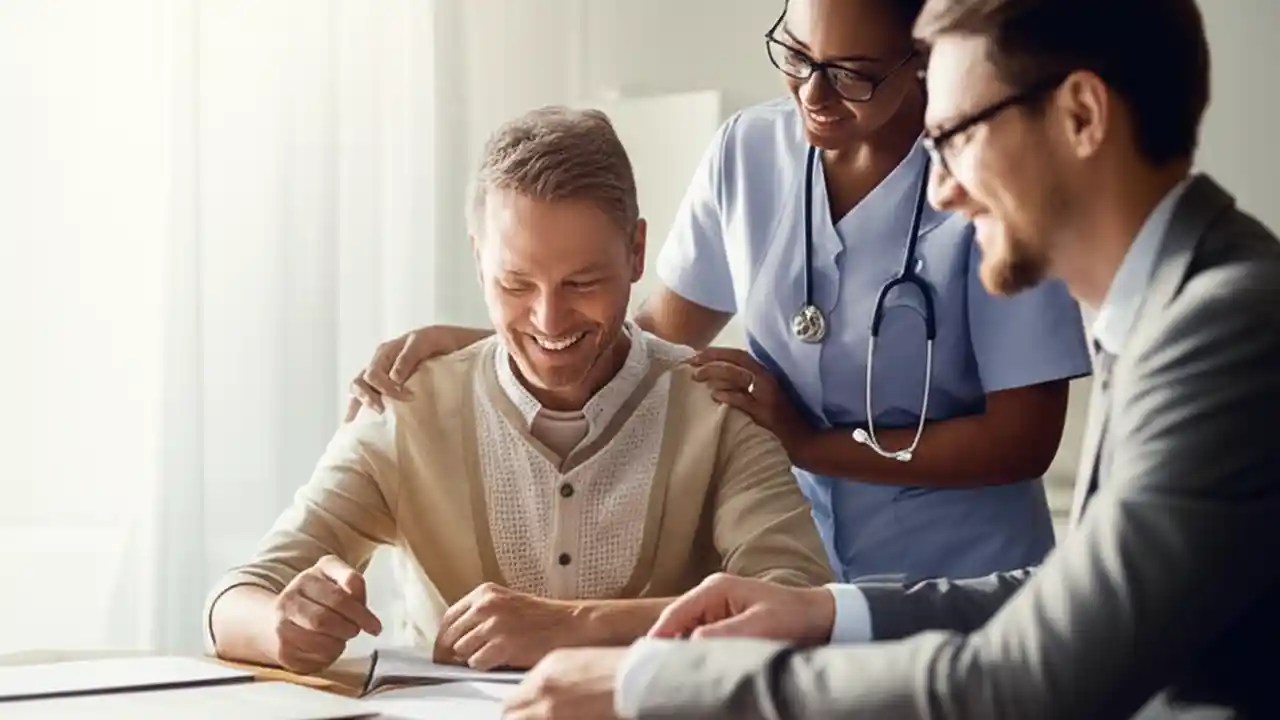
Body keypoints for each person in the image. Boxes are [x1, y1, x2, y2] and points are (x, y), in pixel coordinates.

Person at [499, 0, 1280, 717]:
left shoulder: (1225, 332)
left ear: (1080, 115)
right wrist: (827, 612)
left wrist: (656, 687)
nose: (940, 191)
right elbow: (1072, 597)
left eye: (958, 135)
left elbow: (1029, 676)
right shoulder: (1176, 311)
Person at [348, 0, 1092, 588]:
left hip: (965, 581)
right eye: (796, 56)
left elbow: (1023, 439)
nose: (814, 94)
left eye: (853, 73)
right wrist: (485, 349)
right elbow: (650, 336)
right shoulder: (749, 151)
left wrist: (810, 445)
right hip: (804, 577)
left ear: (924, 58)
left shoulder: (990, 175)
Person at [203, 107, 832, 676]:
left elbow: (802, 604)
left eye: (582, 283)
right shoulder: (409, 410)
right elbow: (235, 597)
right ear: (478, 259)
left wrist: (576, 627)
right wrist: (281, 626)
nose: (549, 320)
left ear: (637, 253)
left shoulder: (717, 410)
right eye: (516, 284)